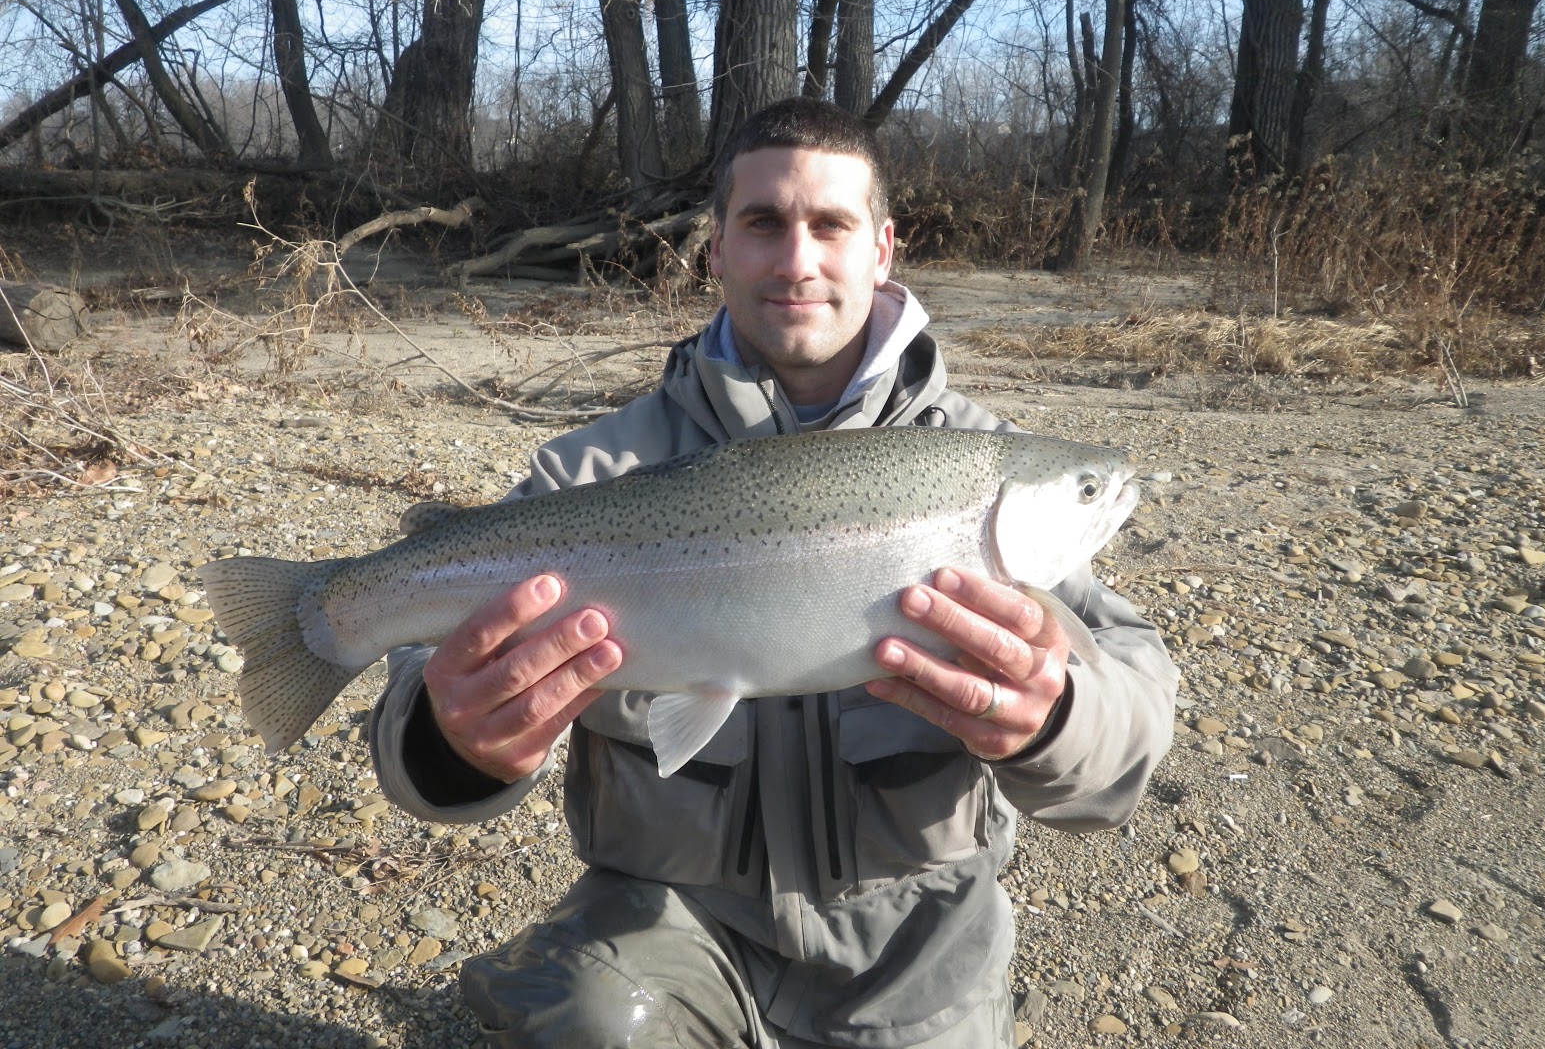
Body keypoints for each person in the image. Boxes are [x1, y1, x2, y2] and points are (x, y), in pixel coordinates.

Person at [368, 98, 1179, 1048]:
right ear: (716, 249)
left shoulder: (981, 463)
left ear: (882, 249)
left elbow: (1130, 704)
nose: (797, 260)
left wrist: (1057, 718)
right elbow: (415, 715)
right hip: (665, 927)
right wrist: (452, 740)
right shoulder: (587, 476)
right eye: (763, 224)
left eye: (830, 225)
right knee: (591, 1026)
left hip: (915, 945)